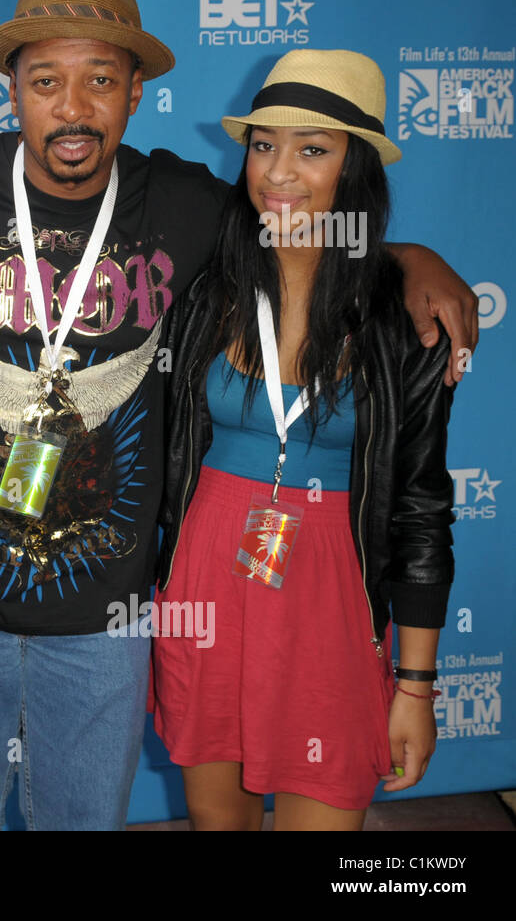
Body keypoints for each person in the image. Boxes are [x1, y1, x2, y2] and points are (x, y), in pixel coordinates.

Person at [0, 0, 478, 830]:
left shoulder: (186, 202)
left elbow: (303, 231)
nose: (73, 108)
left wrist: (411, 262)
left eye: (101, 80)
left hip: (110, 615)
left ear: (136, 92)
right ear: (11, 91)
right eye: (47, 82)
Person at [152, 49, 453, 830]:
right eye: (263, 145)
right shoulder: (207, 290)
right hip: (209, 580)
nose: (277, 173)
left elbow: (421, 507)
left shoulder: (406, 317)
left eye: (312, 149)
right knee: (220, 822)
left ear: (355, 171)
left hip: (330, 594)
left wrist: (415, 686)